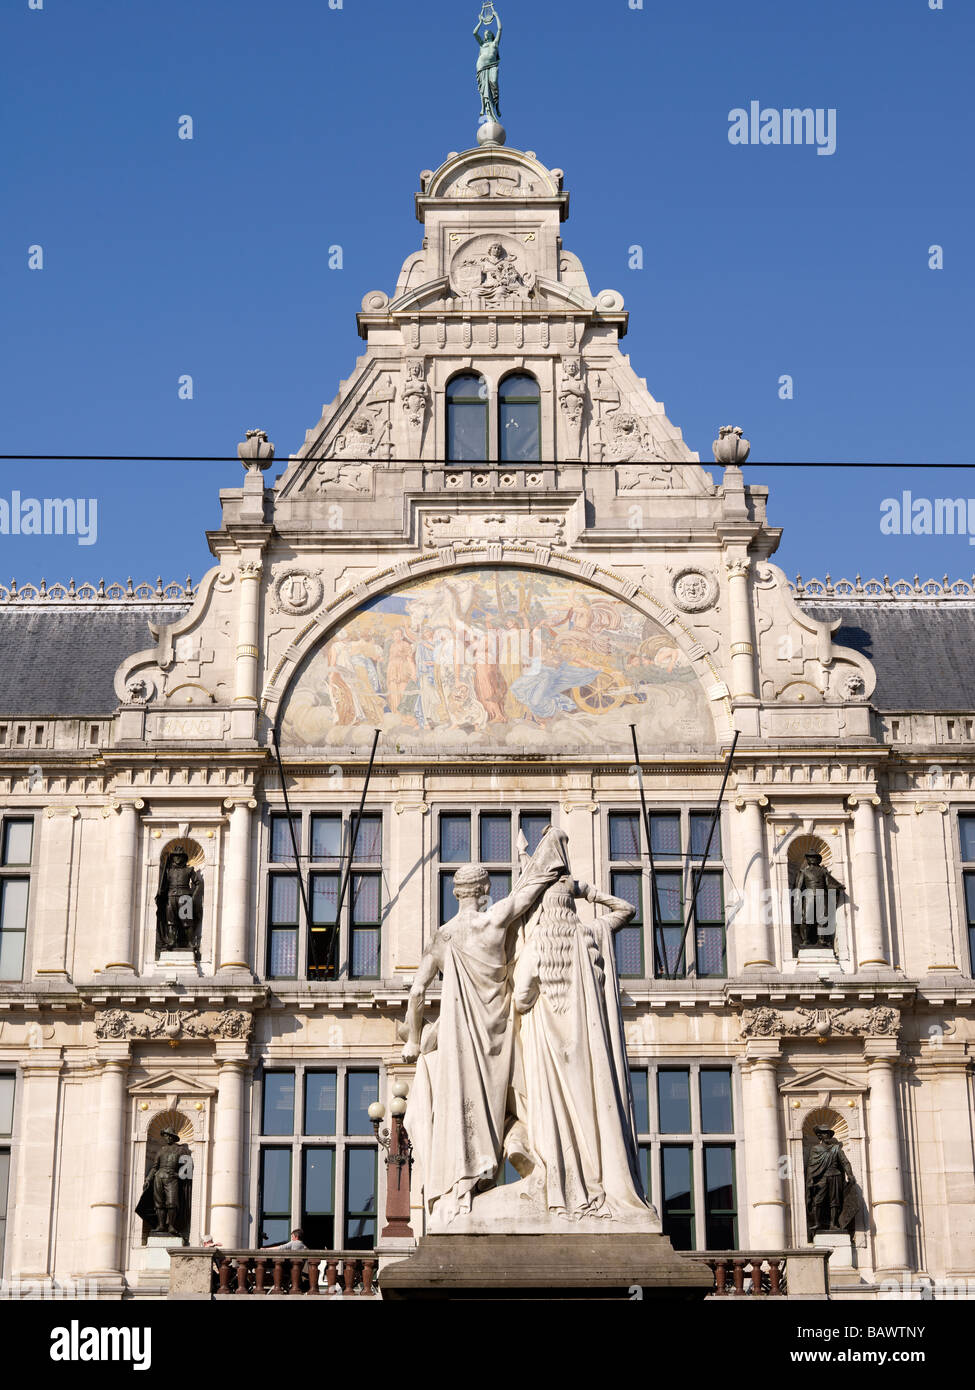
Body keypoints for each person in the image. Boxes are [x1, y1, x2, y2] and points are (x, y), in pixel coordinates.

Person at [402, 850, 561, 1228]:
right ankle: (515, 1152)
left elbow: (416, 993)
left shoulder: (443, 937)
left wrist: (412, 1038)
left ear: (456, 893)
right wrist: (551, 855)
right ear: (485, 890)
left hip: (462, 1042)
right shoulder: (495, 921)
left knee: (463, 1108)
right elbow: (529, 892)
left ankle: (465, 1186)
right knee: (510, 1102)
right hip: (502, 1033)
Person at [473, 10, 502, 123]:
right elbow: (474, 33)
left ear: (491, 35)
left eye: (489, 33)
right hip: (481, 65)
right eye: (485, 34)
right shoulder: (482, 44)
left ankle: (497, 105)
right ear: (484, 37)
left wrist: (496, 16)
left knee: (493, 82)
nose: (487, 34)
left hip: (493, 65)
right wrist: (480, 21)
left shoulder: (495, 43)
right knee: (484, 88)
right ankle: (484, 108)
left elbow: (500, 29)